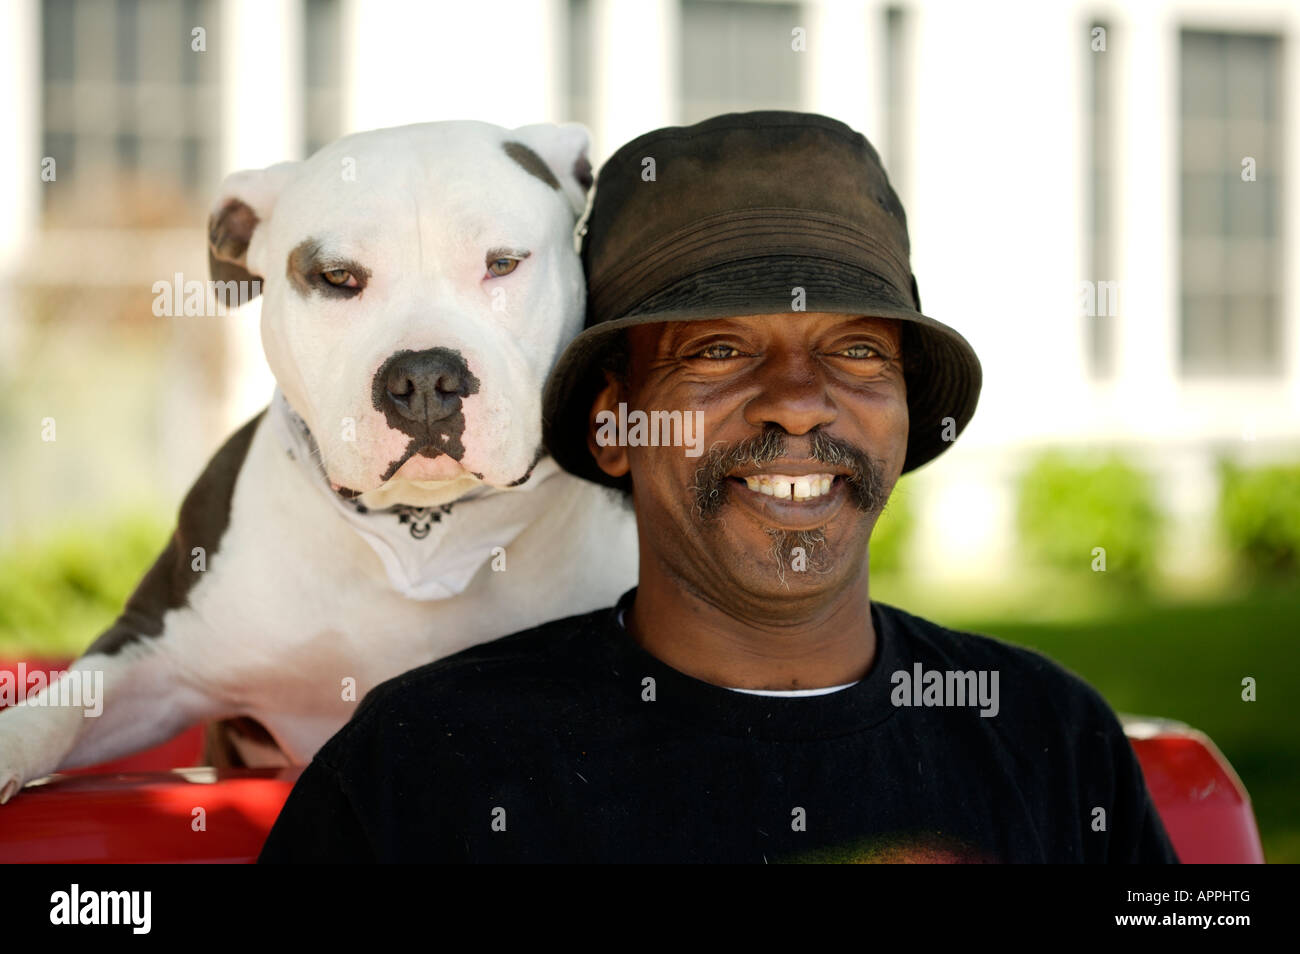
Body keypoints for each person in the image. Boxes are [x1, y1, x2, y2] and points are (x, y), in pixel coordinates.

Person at [259, 111, 1179, 863]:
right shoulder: (424, 768)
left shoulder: (1049, 740)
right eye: (720, 351)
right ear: (615, 423)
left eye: (855, 348)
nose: (797, 405)